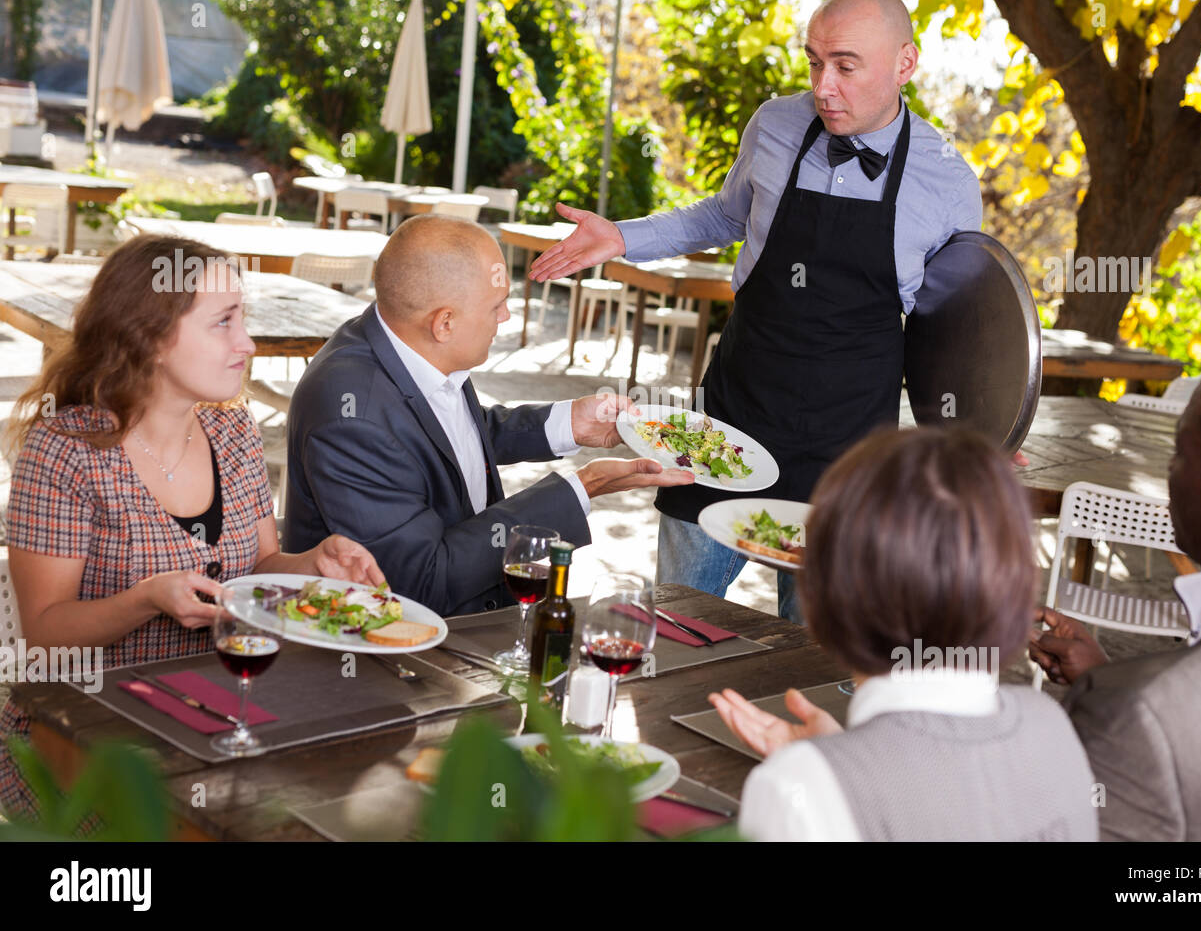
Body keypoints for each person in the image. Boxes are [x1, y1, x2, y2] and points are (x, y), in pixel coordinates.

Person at [528, 0, 983, 622]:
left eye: (846, 66)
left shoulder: (948, 180)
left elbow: (954, 331)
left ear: (906, 64)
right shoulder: (775, 123)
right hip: (729, 425)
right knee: (674, 624)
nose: (824, 86)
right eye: (814, 62)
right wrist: (623, 237)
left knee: (816, 658)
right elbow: (721, 216)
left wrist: (974, 431)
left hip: (848, 450)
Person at [0, 234, 384, 822]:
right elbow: (47, 639)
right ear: (151, 337)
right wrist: (147, 599)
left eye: (243, 319)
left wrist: (314, 565)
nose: (247, 343)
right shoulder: (67, 450)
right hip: (83, 736)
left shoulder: (234, 433)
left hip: (209, 720)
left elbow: (257, 572)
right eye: (224, 322)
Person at [284, 215, 693, 617]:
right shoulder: (353, 416)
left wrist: (568, 423)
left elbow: (446, 435)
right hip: (391, 642)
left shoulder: (412, 340)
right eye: (497, 306)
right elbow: (419, 586)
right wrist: (584, 486)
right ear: (444, 322)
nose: (506, 318)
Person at [707, 426, 1097, 841]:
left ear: (824, 601)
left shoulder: (795, 786)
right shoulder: (1053, 726)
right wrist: (837, 758)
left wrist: (824, 771)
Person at [1030, 347, 1201, 841]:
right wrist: (1108, 676)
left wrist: (1121, 700)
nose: (1168, 473)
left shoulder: (1129, 709)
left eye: (1179, 454)